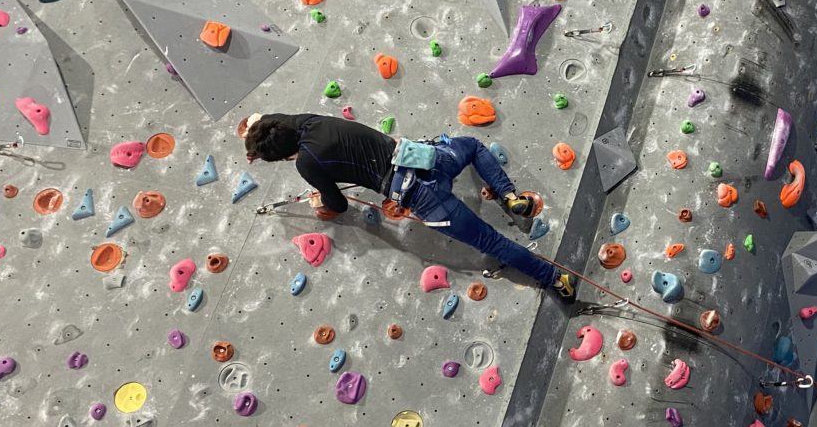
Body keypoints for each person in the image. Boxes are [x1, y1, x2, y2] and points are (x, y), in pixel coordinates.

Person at [241, 113, 575, 300]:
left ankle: (556, 278)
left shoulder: (306, 164)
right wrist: (258, 133)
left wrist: (320, 204)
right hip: (425, 158)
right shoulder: (308, 122)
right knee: (472, 147)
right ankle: (510, 196)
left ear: (285, 156)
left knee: (492, 244)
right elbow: (275, 122)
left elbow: (338, 204)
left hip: (420, 197)